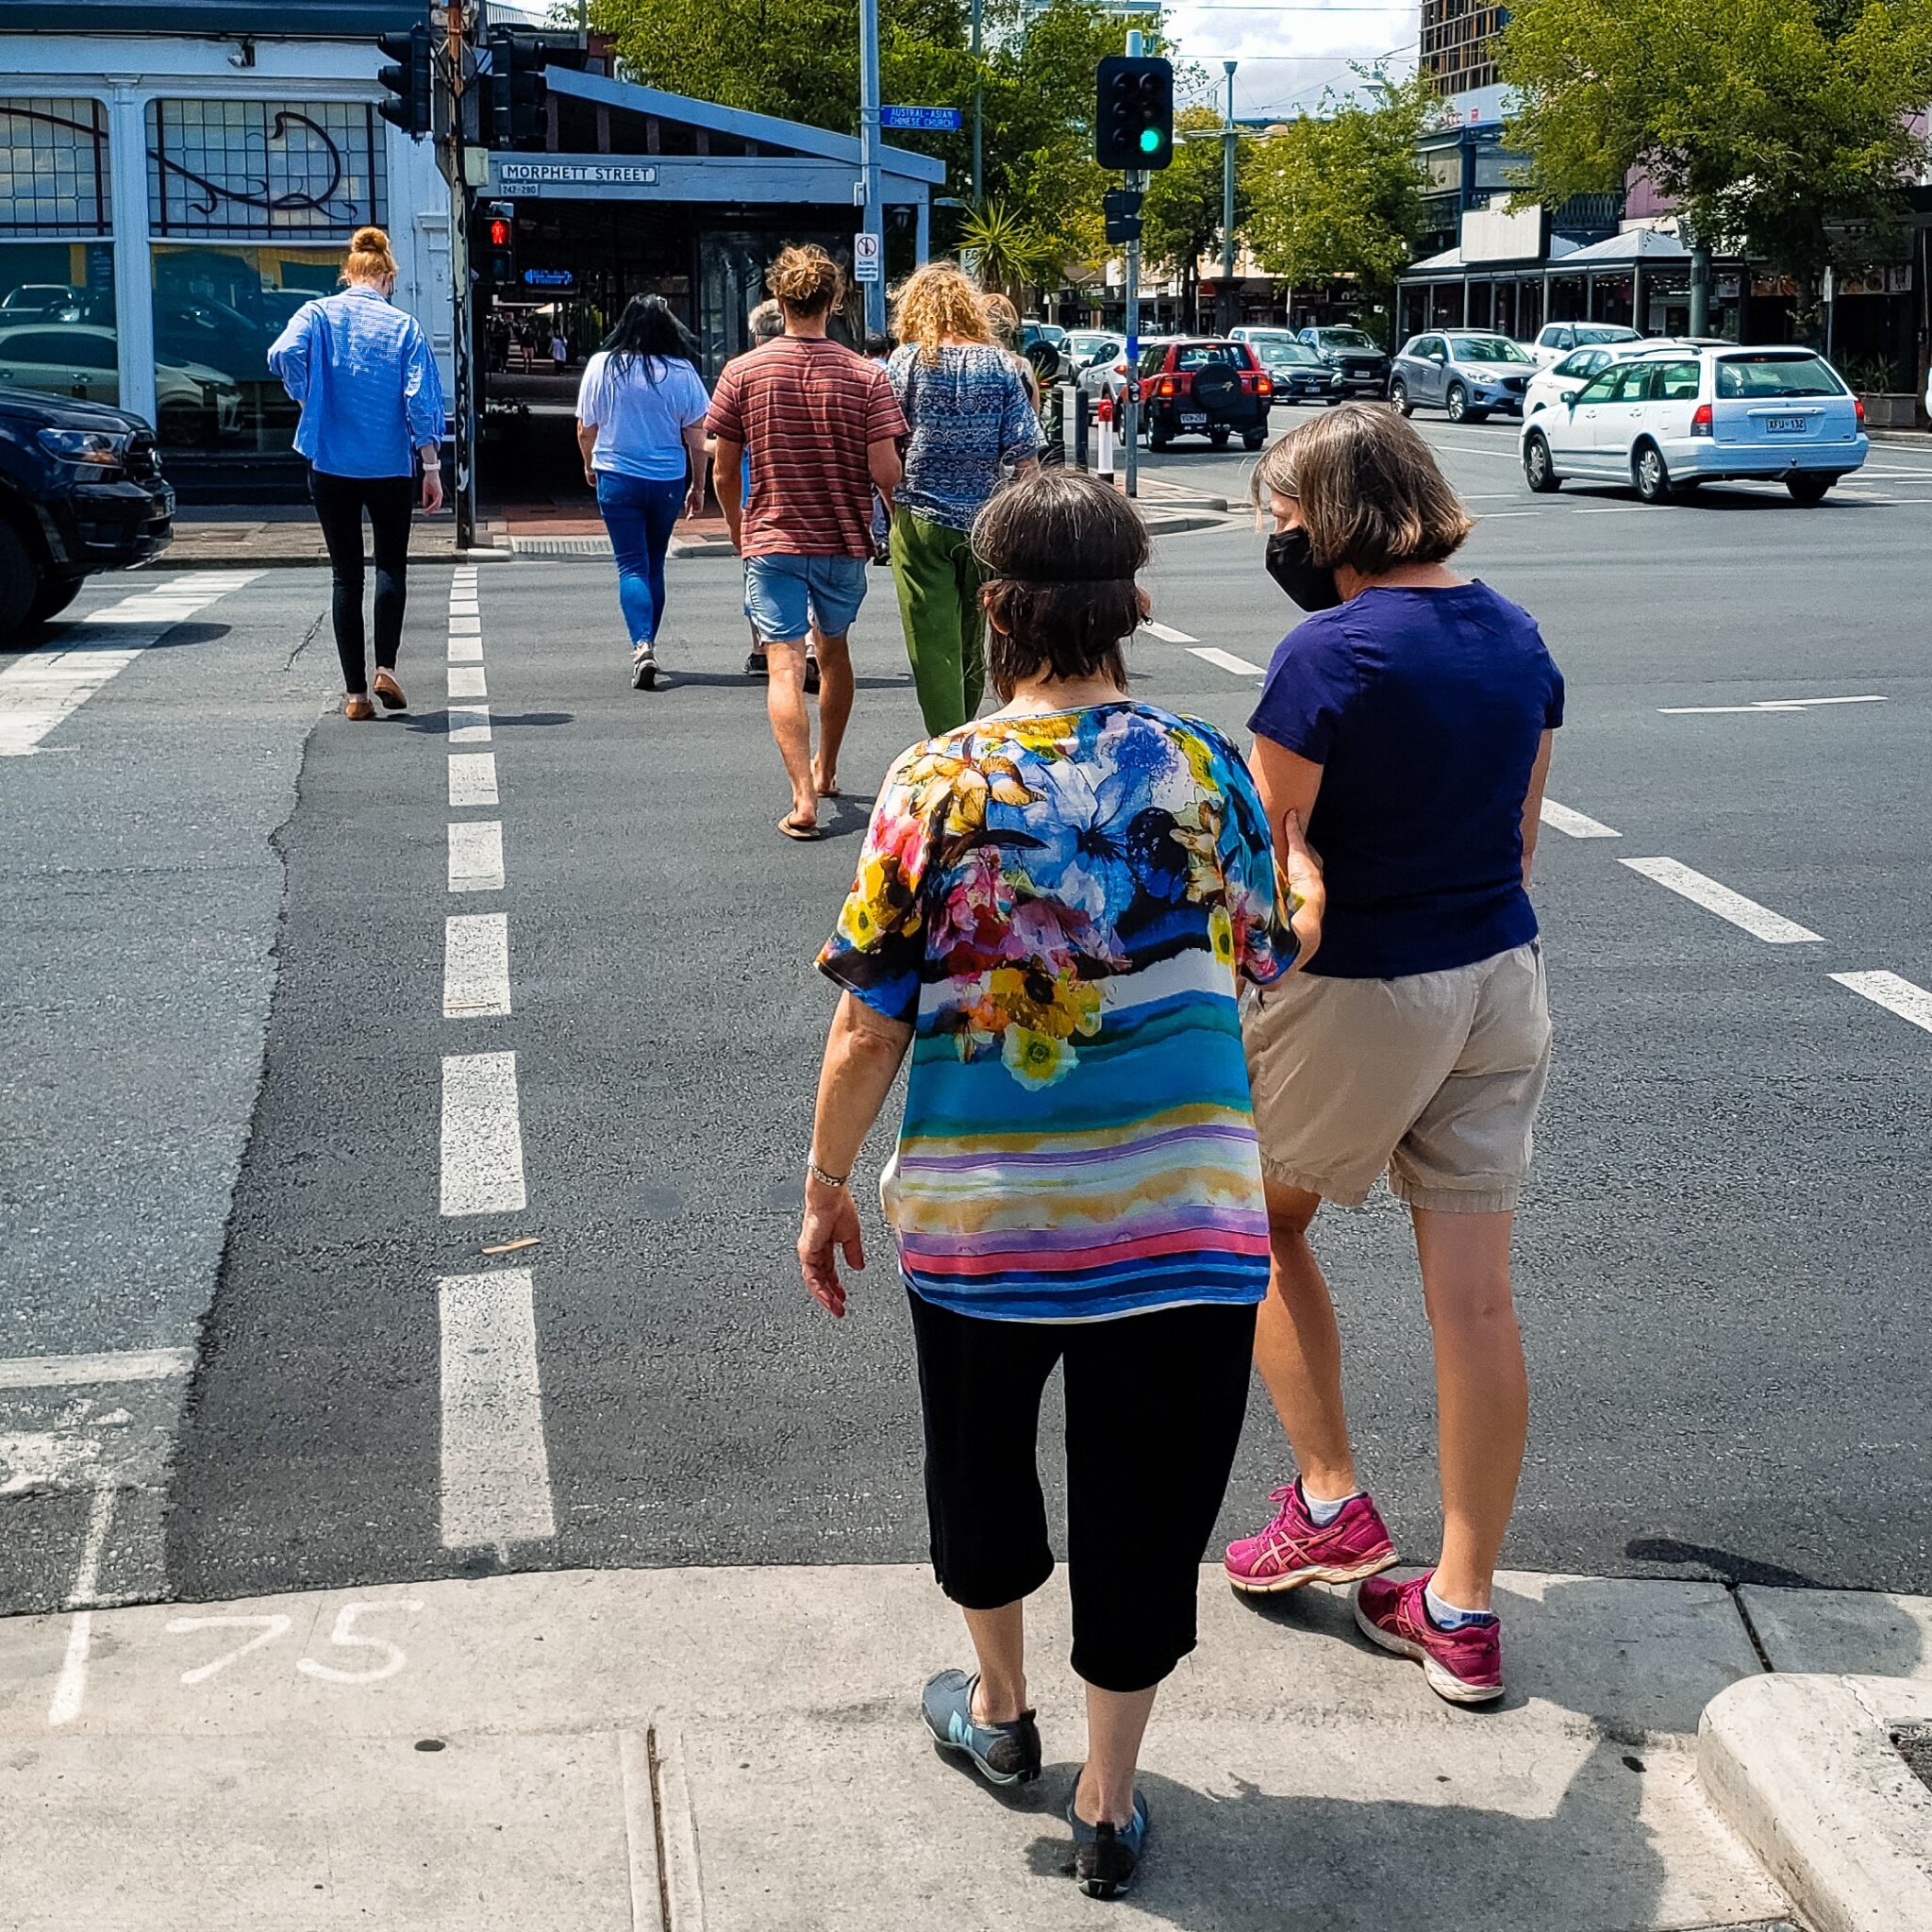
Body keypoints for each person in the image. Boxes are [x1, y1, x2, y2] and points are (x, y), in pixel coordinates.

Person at [799, 469, 1323, 1900]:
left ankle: (1001, 1710)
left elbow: (868, 1021)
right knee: (1145, 1504)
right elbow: (1267, 955)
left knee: (977, 1469)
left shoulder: (935, 781)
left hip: (985, 1222)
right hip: (1181, 1220)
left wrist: (825, 1178)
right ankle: (1107, 1797)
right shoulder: (1204, 764)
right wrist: (1297, 892)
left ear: (994, 610)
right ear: (1133, 605)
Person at [1222, 403, 1564, 1708]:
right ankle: (1461, 1608)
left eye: (1283, 517)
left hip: (1363, 984)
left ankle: (1328, 1500)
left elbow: (1272, 875)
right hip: (1499, 978)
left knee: (1256, 1221)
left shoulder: (1327, 654)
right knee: (1475, 1301)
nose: (1278, 541)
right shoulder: (1516, 633)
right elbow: (1521, 842)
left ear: (1334, 517)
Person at [707, 245, 906, 840]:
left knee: (784, 666)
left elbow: (723, 470)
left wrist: (739, 529)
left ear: (778, 298)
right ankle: (827, 769)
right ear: (834, 299)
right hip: (842, 537)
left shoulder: (742, 372)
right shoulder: (867, 376)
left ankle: (801, 798)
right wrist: (895, 522)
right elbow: (886, 471)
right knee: (834, 652)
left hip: (773, 536)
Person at [268, 225, 444, 721]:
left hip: (331, 464)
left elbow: (283, 353)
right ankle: (385, 668)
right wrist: (431, 466)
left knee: (346, 576)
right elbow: (420, 399)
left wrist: (309, 397)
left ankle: (356, 697)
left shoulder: (317, 314)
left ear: (348, 275)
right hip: (388, 466)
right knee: (390, 566)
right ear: (387, 278)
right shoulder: (404, 327)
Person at [885, 263, 1043, 736]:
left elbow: (887, 440)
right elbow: (1026, 455)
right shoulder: (1000, 365)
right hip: (986, 520)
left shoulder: (906, 362)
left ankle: (948, 740)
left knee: (931, 639)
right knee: (975, 634)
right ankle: (967, 728)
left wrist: (888, 502)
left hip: (921, 515)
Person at [575, 295, 709, 691]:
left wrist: (589, 464)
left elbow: (585, 428)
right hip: (666, 479)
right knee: (654, 565)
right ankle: (649, 639)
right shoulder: (682, 371)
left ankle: (642, 644)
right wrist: (699, 485)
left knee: (630, 565)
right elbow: (697, 435)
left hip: (617, 475)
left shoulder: (602, 366)